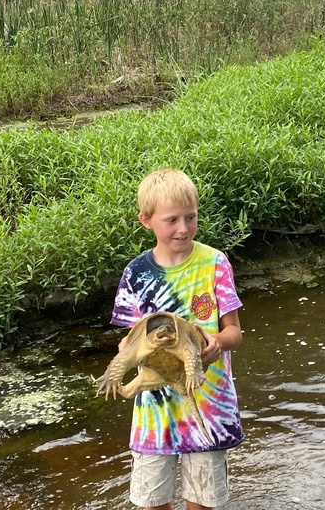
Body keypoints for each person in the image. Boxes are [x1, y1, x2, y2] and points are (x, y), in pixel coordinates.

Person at [111, 168, 245, 510]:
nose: (183, 228)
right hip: (154, 410)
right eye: (171, 220)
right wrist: (122, 361)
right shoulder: (136, 273)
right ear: (146, 220)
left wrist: (216, 344)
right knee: (152, 501)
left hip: (207, 402)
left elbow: (234, 332)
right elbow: (127, 343)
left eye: (191, 217)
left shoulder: (215, 263)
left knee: (203, 502)